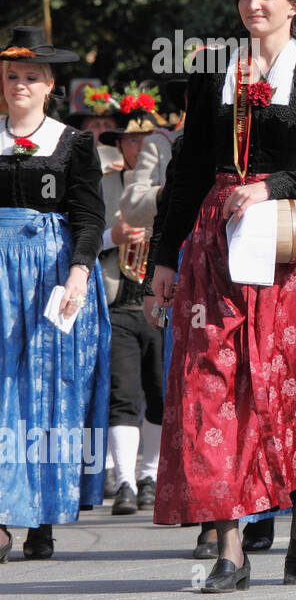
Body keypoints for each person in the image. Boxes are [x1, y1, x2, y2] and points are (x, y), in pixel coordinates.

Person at [146, 0, 296, 591]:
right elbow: (186, 171)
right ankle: (231, 547)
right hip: (218, 248)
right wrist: (164, 254)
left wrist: (271, 185)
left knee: (290, 389)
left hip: (292, 248)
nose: (253, 4)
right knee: (212, 384)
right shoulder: (214, 70)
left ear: (294, 5)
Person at [0, 26, 111, 562]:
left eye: (31, 77)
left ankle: (41, 512)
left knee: (46, 391)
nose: (20, 84)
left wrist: (78, 273)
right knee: (3, 392)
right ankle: (2, 513)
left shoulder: (73, 143)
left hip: (50, 273)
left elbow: (90, 215)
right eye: (12, 75)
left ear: (49, 86)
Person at [97, 94, 167, 516]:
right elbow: (84, 233)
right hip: (119, 301)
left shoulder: (169, 184)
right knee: (123, 394)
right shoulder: (104, 183)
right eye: (131, 141)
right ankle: (124, 479)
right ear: (121, 146)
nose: (138, 149)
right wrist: (114, 237)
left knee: (159, 394)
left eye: (146, 141)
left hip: (159, 300)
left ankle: (150, 475)